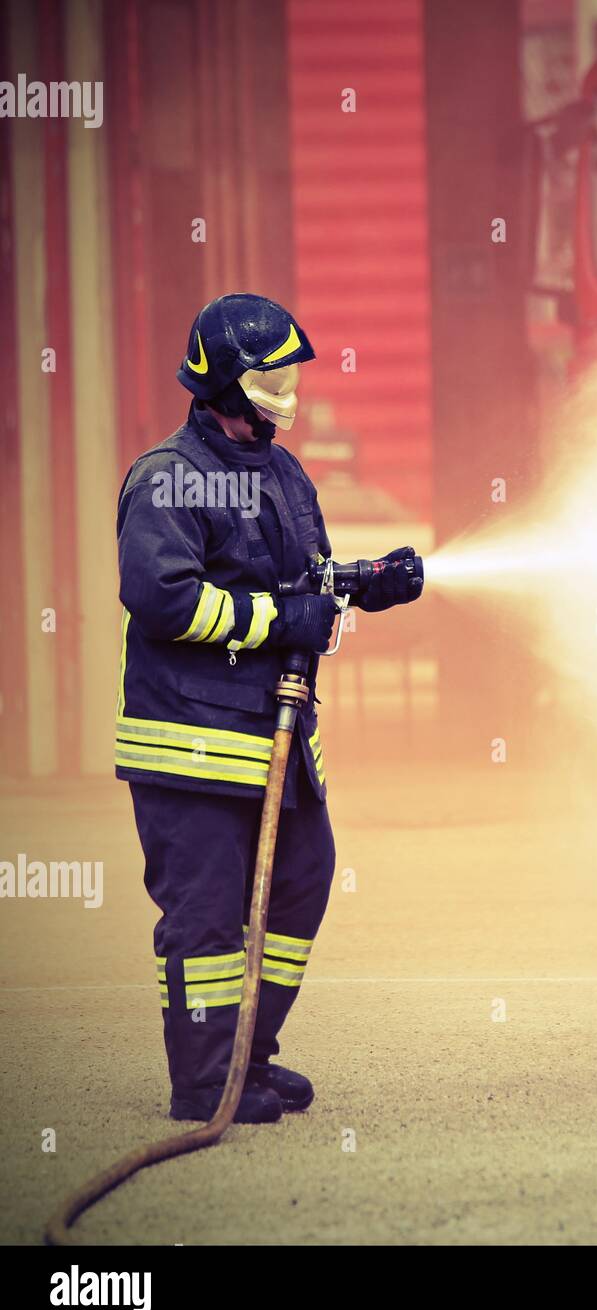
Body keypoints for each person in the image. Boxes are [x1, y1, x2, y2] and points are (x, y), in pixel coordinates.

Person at [116, 293, 422, 1123]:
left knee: (301, 882)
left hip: (273, 738)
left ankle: (248, 1053)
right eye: (268, 375)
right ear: (220, 380)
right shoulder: (167, 477)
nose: (283, 390)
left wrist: (365, 583)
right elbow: (162, 598)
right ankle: (204, 1081)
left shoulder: (281, 469)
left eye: (287, 375)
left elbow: (300, 581)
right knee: (208, 914)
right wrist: (277, 621)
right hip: (192, 745)